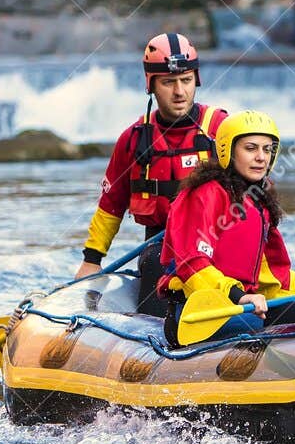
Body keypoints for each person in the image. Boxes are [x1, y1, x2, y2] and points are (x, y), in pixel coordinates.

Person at [159, 110, 295, 346]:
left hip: (246, 306)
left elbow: (274, 279)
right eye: (251, 148)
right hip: (198, 314)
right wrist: (239, 296)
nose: (261, 157)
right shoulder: (203, 194)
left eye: (267, 149)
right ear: (228, 151)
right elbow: (193, 264)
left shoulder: (257, 202)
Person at [75, 32, 229, 280]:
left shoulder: (221, 129)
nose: (180, 91)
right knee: (155, 266)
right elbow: (110, 204)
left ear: (196, 80)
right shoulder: (133, 139)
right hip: (161, 247)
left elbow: (257, 193)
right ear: (151, 85)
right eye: (168, 82)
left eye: (186, 80)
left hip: (218, 240)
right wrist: (92, 260)